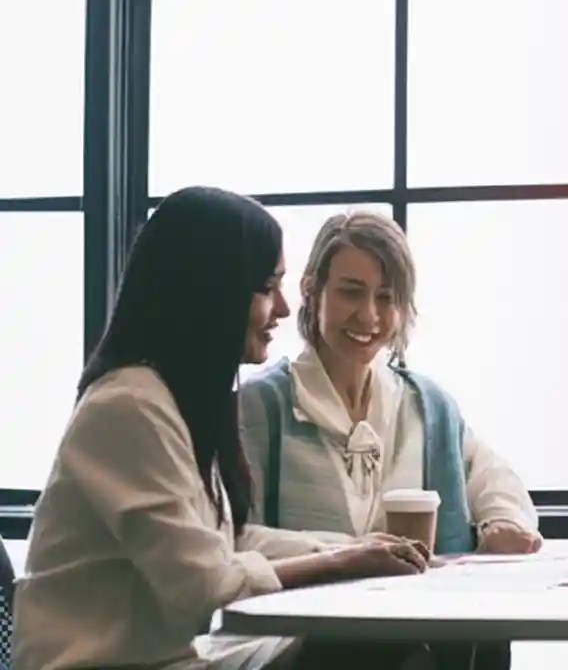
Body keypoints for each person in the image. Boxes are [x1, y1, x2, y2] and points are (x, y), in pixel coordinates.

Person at [14, 187, 428, 670]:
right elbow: (205, 586)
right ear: (214, 288)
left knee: (385, 651)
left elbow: (227, 544)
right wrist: (343, 563)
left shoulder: (175, 398)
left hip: (168, 658)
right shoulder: (127, 408)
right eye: (268, 287)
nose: (282, 308)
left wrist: (361, 549)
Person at [240, 211, 540, 557]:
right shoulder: (260, 407)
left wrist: (500, 523)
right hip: (304, 609)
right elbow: (230, 537)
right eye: (351, 293)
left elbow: (496, 480)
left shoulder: (428, 407)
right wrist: (346, 552)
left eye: (386, 298)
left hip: (417, 609)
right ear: (311, 290)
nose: (369, 316)